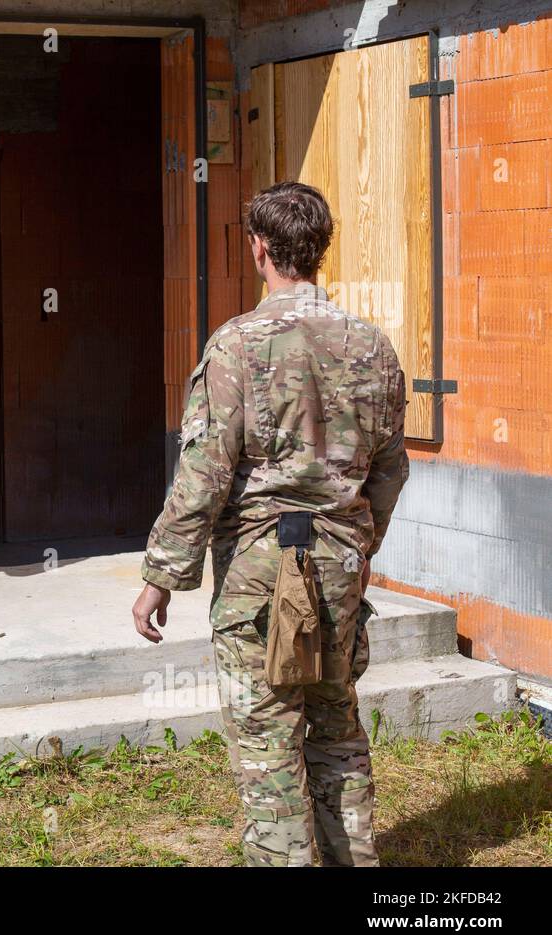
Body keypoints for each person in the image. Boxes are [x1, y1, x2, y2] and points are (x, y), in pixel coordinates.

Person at [131, 181, 409, 866]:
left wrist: (162, 576)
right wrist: (357, 545)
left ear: (259, 249)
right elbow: (391, 471)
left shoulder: (237, 346)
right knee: (337, 729)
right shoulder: (372, 347)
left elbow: (204, 473)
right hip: (339, 569)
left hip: (262, 573)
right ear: (318, 251)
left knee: (268, 746)